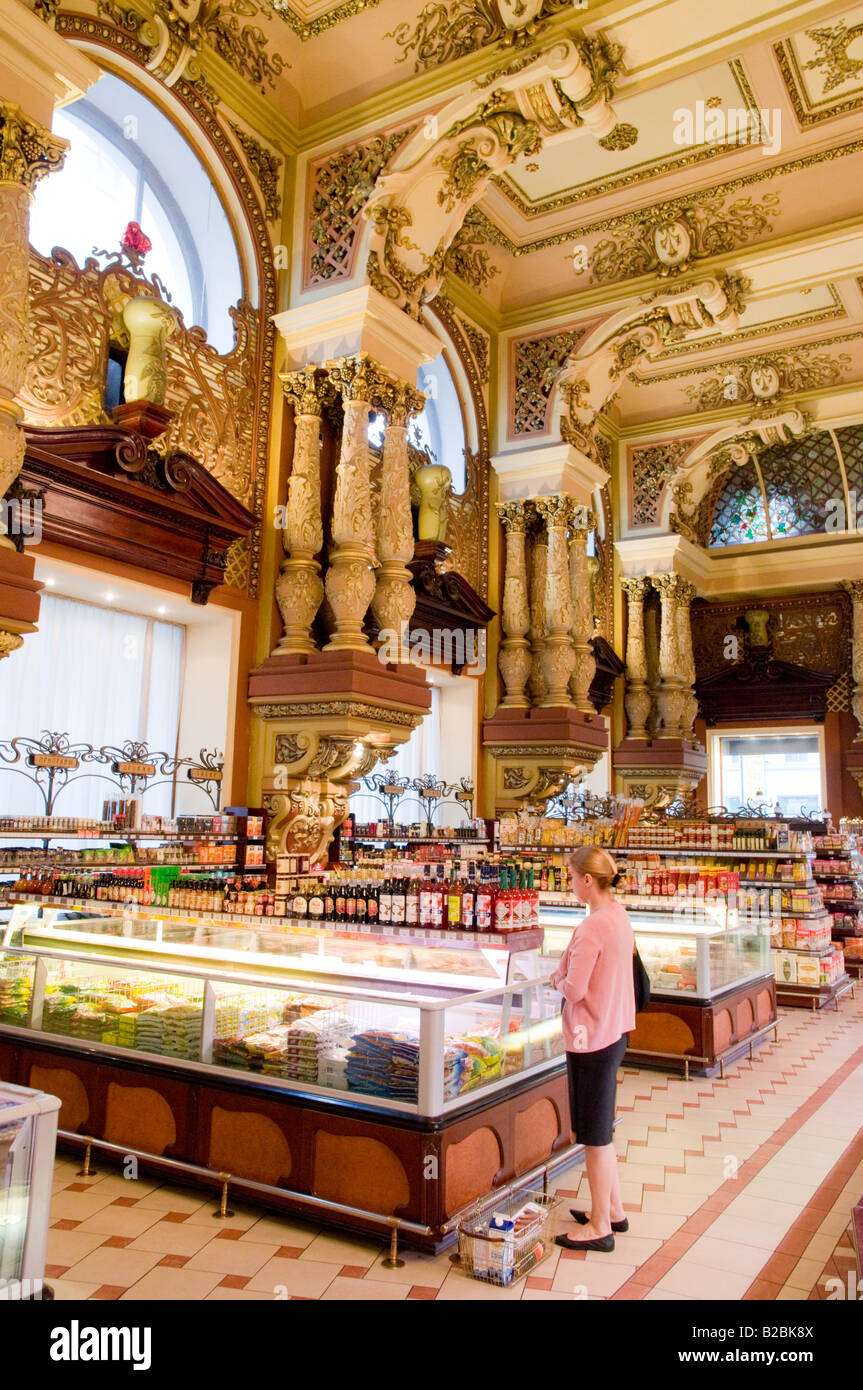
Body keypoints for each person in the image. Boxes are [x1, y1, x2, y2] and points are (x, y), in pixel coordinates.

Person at [550, 845, 636, 1252]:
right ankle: (614, 1210)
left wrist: (557, 980)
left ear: (587, 880)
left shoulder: (591, 927)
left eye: (570, 877)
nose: (568, 884)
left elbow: (575, 989)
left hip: (591, 1037)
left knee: (594, 1136)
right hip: (617, 1030)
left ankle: (599, 1227)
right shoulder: (619, 916)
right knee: (603, 1128)